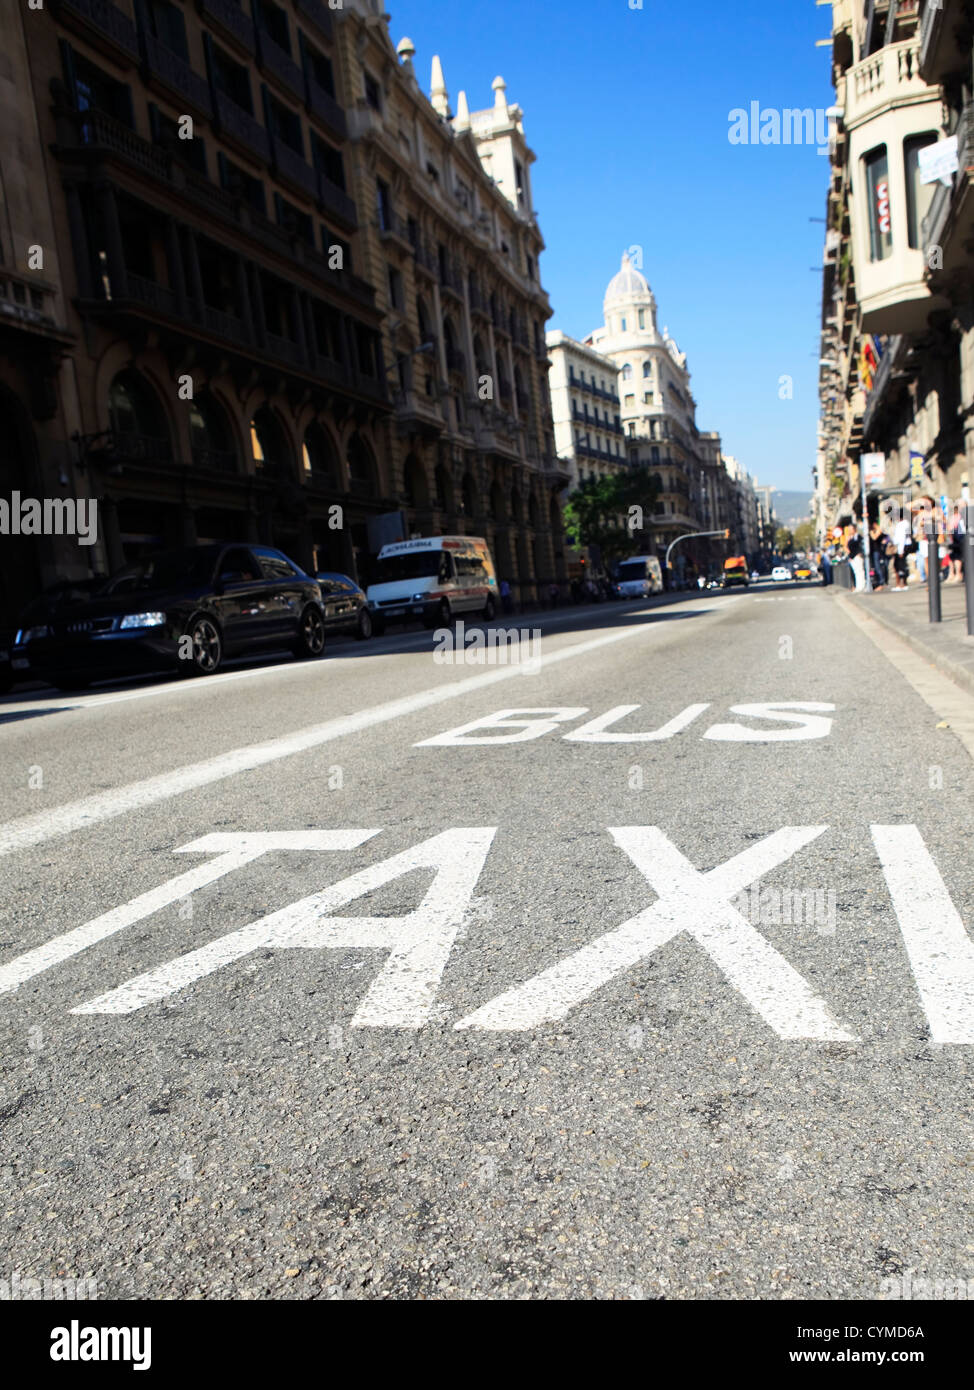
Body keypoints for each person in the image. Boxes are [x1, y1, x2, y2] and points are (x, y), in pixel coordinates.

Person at [948, 505, 965, 583]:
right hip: (959, 540)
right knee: (956, 557)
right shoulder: (960, 517)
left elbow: (950, 529)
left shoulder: (954, 517)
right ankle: (956, 574)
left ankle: (955, 574)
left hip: (956, 540)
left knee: (955, 557)